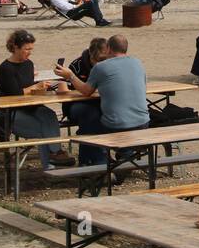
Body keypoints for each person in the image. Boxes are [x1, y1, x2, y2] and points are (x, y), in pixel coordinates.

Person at [55, 35, 149, 169]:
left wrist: (70, 76)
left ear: (109, 49)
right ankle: (122, 156)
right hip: (144, 122)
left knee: (95, 121)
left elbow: (86, 91)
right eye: (99, 59)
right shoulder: (137, 63)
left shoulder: (101, 67)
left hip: (113, 120)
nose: (101, 62)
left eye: (104, 58)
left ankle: (97, 163)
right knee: (92, 115)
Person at [0, 29, 76, 168]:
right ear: (15, 47)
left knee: (49, 114)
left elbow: (28, 88)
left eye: (31, 49)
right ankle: (52, 160)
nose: (29, 52)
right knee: (45, 131)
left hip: (29, 107)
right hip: (11, 111)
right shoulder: (6, 68)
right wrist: (36, 86)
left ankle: (53, 158)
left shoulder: (28, 64)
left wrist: (44, 88)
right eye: (26, 49)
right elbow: (15, 93)